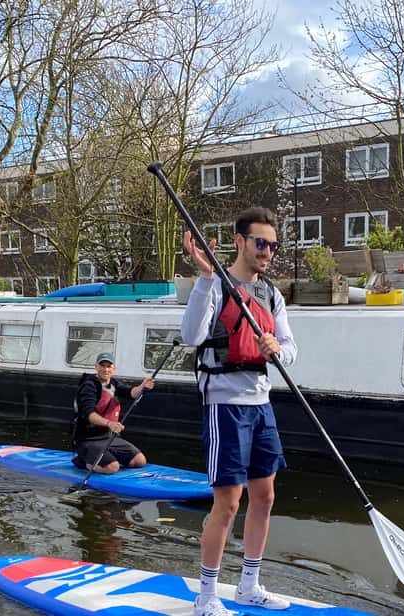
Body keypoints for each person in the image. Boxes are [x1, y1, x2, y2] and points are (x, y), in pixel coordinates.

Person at [180, 207, 296, 616]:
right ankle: (207, 596)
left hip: (261, 406)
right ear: (240, 241)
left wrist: (277, 350)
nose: (267, 252)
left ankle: (248, 585)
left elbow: (291, 349)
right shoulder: (215, 284)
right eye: (260, 243)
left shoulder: (272, 294)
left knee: (264, 497)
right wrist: (206, 278)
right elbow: (191, 335)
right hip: (225, 406)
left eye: (272, 245)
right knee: (228, 503)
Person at [73, 352, 154, 474]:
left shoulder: (114, 384)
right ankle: (83, 461)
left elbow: (131, 393)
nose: (105, 369)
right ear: (96, 367)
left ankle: (104, 457)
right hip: (88, 440)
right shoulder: (89, 386)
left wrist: (143, 386)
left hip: (109, 438)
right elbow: (89, 414)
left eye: (108, 366)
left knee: (140, 461)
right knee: (112, 467)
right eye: (102, 366)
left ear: (113, 368)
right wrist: (109, 423)